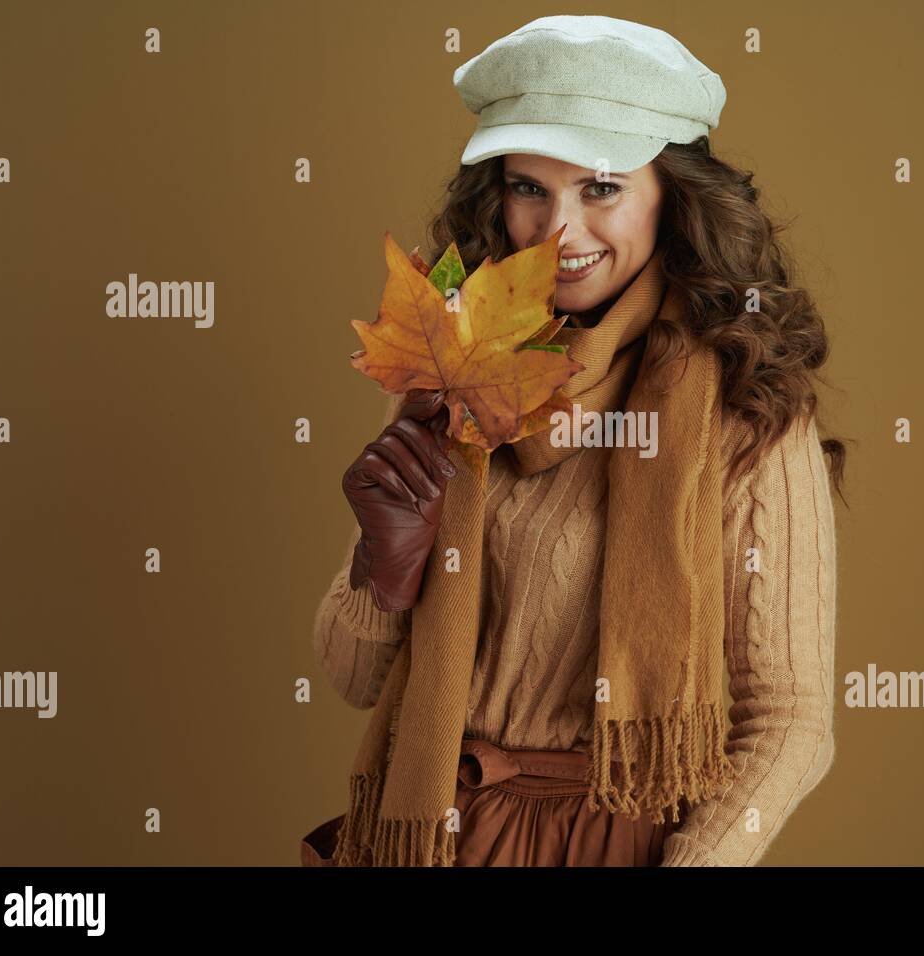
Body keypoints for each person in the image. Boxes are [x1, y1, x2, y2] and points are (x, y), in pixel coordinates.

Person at [303, 14, 849, 867]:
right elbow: (350, 677)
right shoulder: (451, 366)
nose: (558, 231)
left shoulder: (746, 402)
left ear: (673, 192)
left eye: (601, 188)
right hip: (422, 836)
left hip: (609, 844)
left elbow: (790, 725)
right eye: (529, 187)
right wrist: (386, 562)